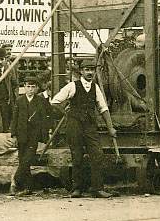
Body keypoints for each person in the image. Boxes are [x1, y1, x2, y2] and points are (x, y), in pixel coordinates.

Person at [50, 58, 118, 198]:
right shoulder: (72, 86)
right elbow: (55, 101)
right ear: (81, 71)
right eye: (87, 70)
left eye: (92, 70)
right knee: (77, 156)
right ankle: (77, 189)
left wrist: (110, 128)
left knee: (97, 155)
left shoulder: (95, 88)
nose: (90, 73)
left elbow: (103, 108)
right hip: (74, 125)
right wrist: (66, 113)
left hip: (90, 126)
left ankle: (98, 189)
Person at [11, 74, 52, 194]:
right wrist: (14, 135)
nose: (30, 89)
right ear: (24, 87)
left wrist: (46, 133)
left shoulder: (41, 101)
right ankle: (28, 187)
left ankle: (15, 180)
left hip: (34, 135)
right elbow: (15, 119)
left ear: (37, 88)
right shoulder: (19, 100)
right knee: (23, 161)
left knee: (27, 159)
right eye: (28, 86)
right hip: (21, 135)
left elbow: (47, 117)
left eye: (33, 87)